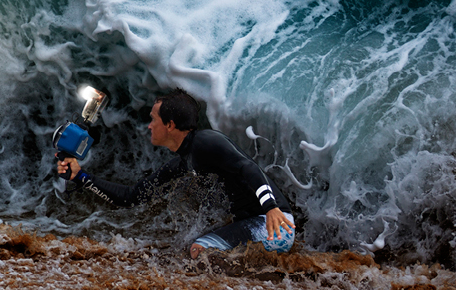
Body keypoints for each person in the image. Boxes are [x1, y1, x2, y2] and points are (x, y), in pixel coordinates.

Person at [56, 91, 296, 257]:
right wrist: (81, 177)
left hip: (273, 224)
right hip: (260, 226)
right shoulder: (183, 162)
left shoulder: (207, 141)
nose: (149, 125)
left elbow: (247, 167)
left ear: (170, 125)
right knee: (190, 253)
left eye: (153, 120)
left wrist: (270, 207)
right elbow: (131, 196)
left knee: (199, 251)